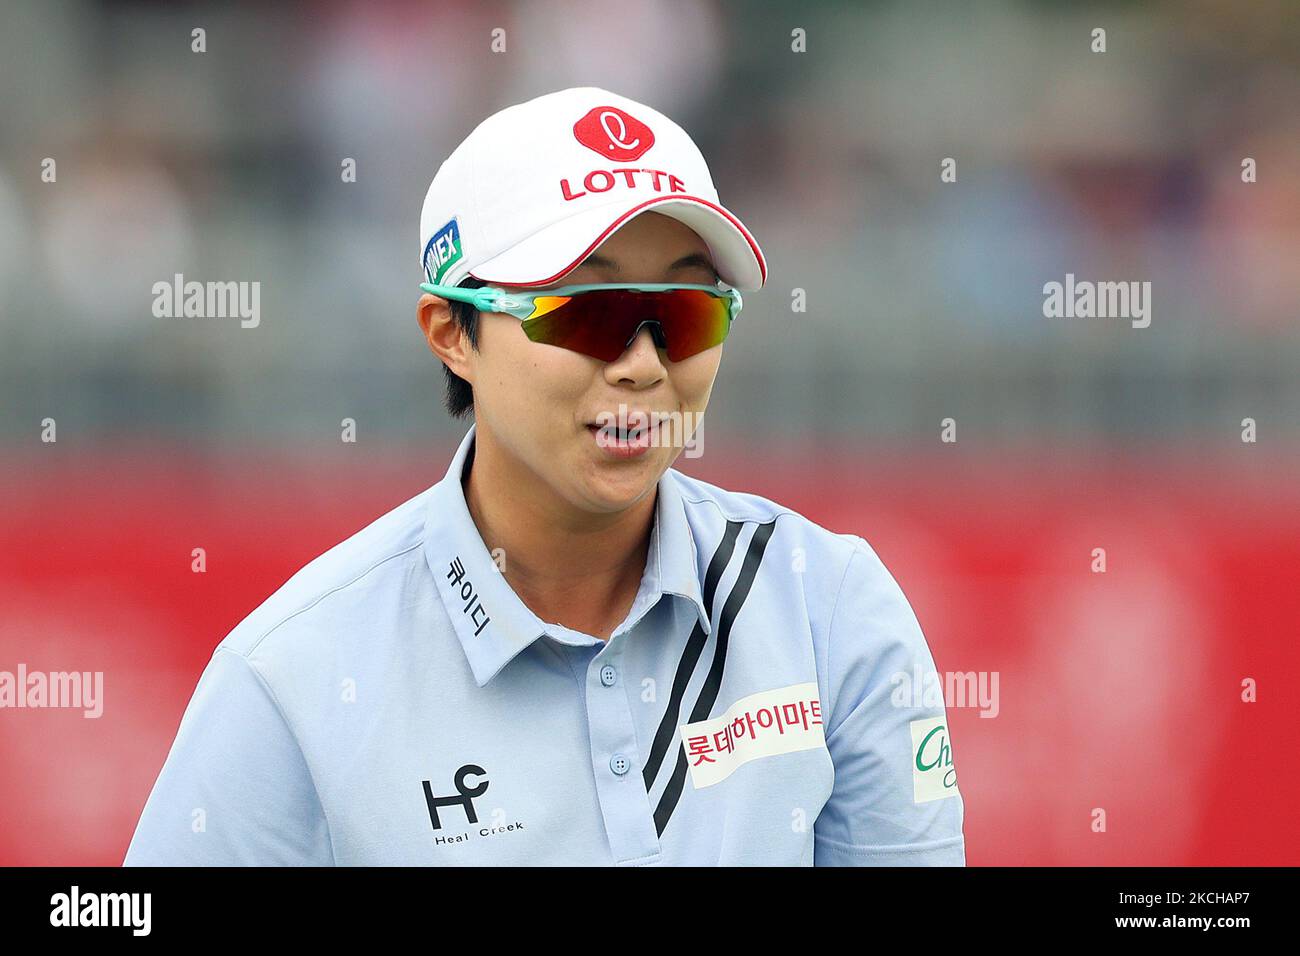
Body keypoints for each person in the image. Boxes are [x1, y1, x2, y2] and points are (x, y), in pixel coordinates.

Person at [123, 86, 965, 866]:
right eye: (586, 311)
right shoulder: (290, 681)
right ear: (452, 329)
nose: (643, 364)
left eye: (685, 310)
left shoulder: (828, 606)